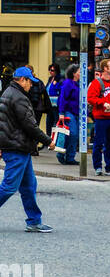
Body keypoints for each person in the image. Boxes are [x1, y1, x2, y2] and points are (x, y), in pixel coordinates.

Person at [0, 66, 54, 232]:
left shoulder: (9, 92)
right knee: (9, 187)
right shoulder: (19, 98)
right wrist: (48, 141)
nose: (31, 85)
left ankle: (34, 221)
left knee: (29, 186)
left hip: (17, 146)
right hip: (16, 147)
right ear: (22, 80)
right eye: (30, 81)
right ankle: (34, 221)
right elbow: (30, 125)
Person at [86, 58, 110, 176]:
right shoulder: (96, 83)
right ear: (105, 69)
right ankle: (98, 167)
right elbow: (90, 98)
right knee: (98, 143)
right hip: (101, 118)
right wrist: (103, 103)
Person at [56, 66, 80, 164]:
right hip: (68, 112)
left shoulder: (79, 84)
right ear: (74, 73)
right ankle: (61, 154)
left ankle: (70, 157)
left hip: (77, 112)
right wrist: (61, 113)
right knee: (71, 134)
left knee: (74, 135)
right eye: (79, 71)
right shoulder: (68, 83)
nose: (81, 73)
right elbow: (62, 98)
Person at [45, 64, 61, 134]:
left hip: (56, 105)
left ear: (56, 71)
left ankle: (54, 138)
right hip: (49, 104)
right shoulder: (50, 79)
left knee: (55, 122)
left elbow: (60, 90)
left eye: (52, 70)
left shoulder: (60, 79)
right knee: (48, 122)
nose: (50, 72)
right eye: (50, 70)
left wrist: (56, 84)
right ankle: (48, 137)